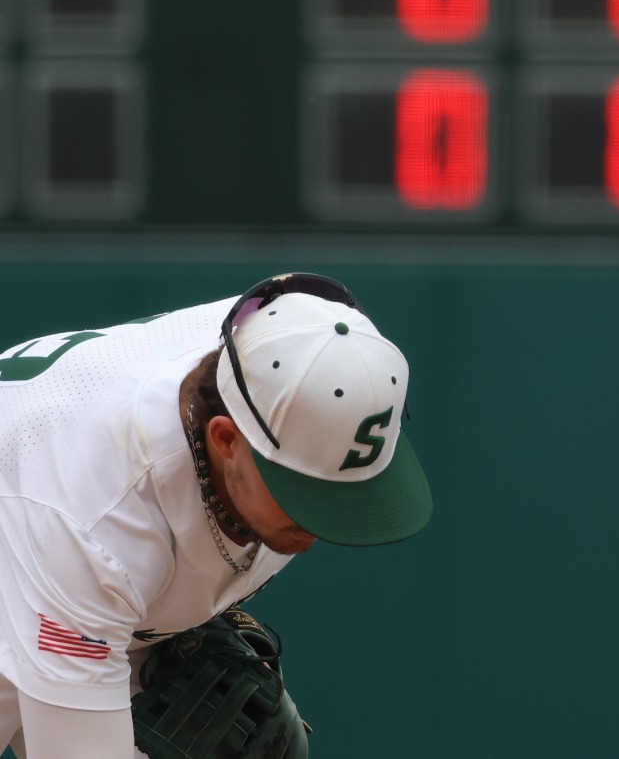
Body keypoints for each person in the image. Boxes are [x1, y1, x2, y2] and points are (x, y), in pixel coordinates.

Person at [0, 272, 432, 757]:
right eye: (303, 491)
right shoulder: (96, 523)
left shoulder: (292, 349)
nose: (319, 523)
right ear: (226, 440)